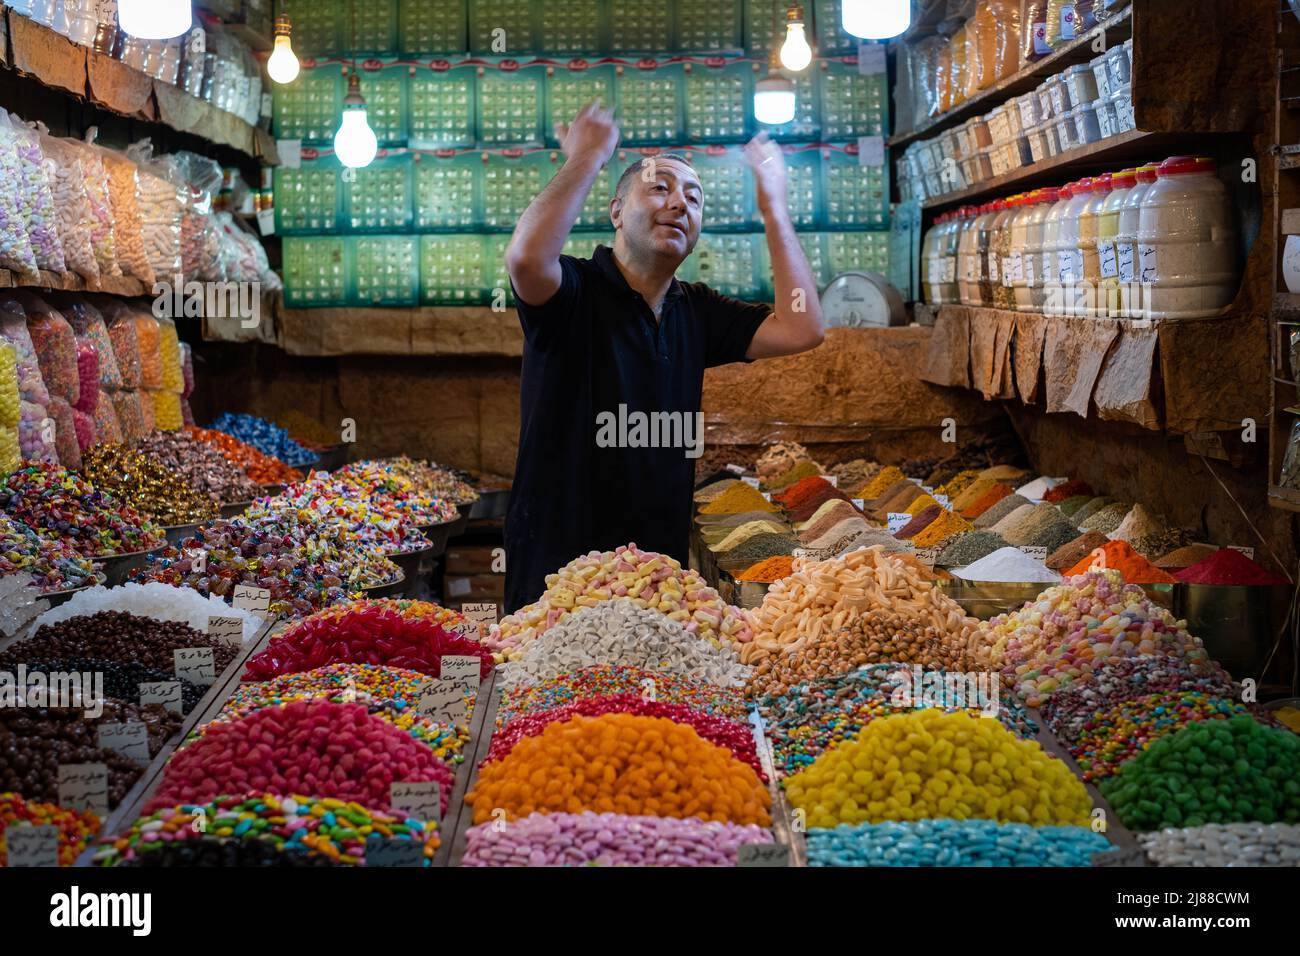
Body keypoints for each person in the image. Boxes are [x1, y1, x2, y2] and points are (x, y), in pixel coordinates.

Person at [502, 101, 825, 612]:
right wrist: (588, 156)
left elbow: (802, 327)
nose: (680, 204)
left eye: (694, 199)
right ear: (615, 211)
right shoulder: (573, 291)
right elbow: (524, 257)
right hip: (556, 572)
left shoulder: (696, 308)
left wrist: (774, 210)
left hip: (657, 578)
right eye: (660, 188)